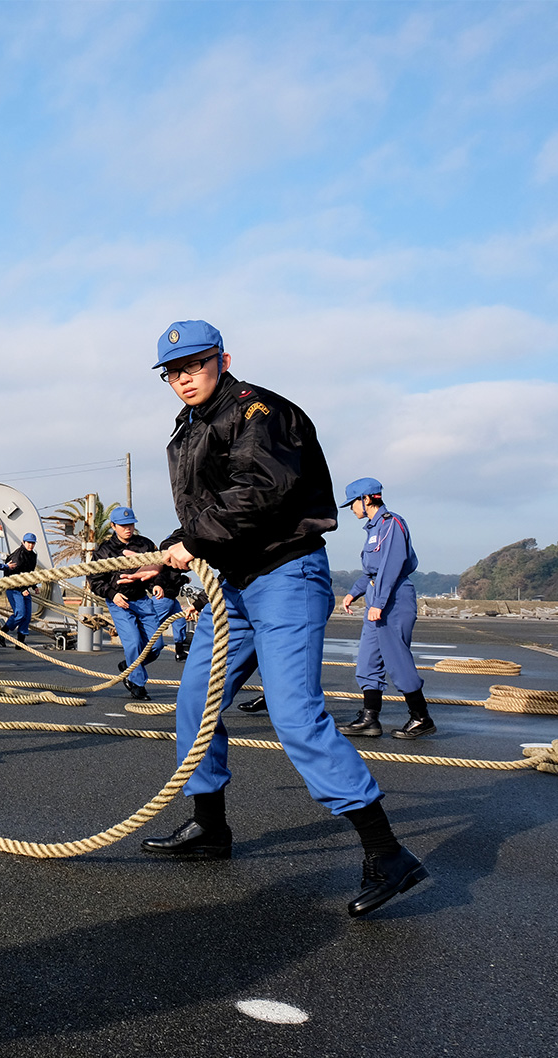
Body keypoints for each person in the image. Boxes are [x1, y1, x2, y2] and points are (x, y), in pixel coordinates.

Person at [131, 319, 425, 918]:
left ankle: (387, 854)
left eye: (194, 364)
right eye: (172, 370)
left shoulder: (261, 413)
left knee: (294, 714)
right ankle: (211, 828)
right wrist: (164, 559)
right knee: (194, 702)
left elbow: (262, 491)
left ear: (223, 359)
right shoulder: (189, 428)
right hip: (232, 585)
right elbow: (207, 512)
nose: (183, 377)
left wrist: (191, 540)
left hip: (285, 576)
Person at [340, 477, 435, 739]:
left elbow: (392, 566)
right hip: (376, 596)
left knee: (396, 659)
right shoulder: (373, 528)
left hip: (394, 599)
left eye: (352, 503)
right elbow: (372, 571)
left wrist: (378, 604)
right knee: (368, 660)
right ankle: (370, 718)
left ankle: (421, 717)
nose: (351, 509)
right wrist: (353, 594)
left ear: (367, 499)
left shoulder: (390, 524)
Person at [88, 506, 178, 702]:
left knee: (156, 646)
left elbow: (157, 568)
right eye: (123, 525)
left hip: (143, 601)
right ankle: (137, 684)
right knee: (134, 644)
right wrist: (113, 595)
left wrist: (158, 584)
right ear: (113, 526)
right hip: (120, 602)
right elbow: (95, 581)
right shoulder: (104, 552)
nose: (128, 528)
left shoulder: (146, 545)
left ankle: (129, 666)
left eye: (131, 524)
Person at [0, 533, 41, 645]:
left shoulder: (32, 556)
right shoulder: (18, 555)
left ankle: (20, 642)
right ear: (23, 542)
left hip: (24, 589)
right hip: (14, 589)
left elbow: (29, 573)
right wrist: (22, 588)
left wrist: (34, 586)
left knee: (27, 616)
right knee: (20, 614)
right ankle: (2, 633)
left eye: (32, 543)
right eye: (28, 543)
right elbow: (11, 574)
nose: (31, 545)